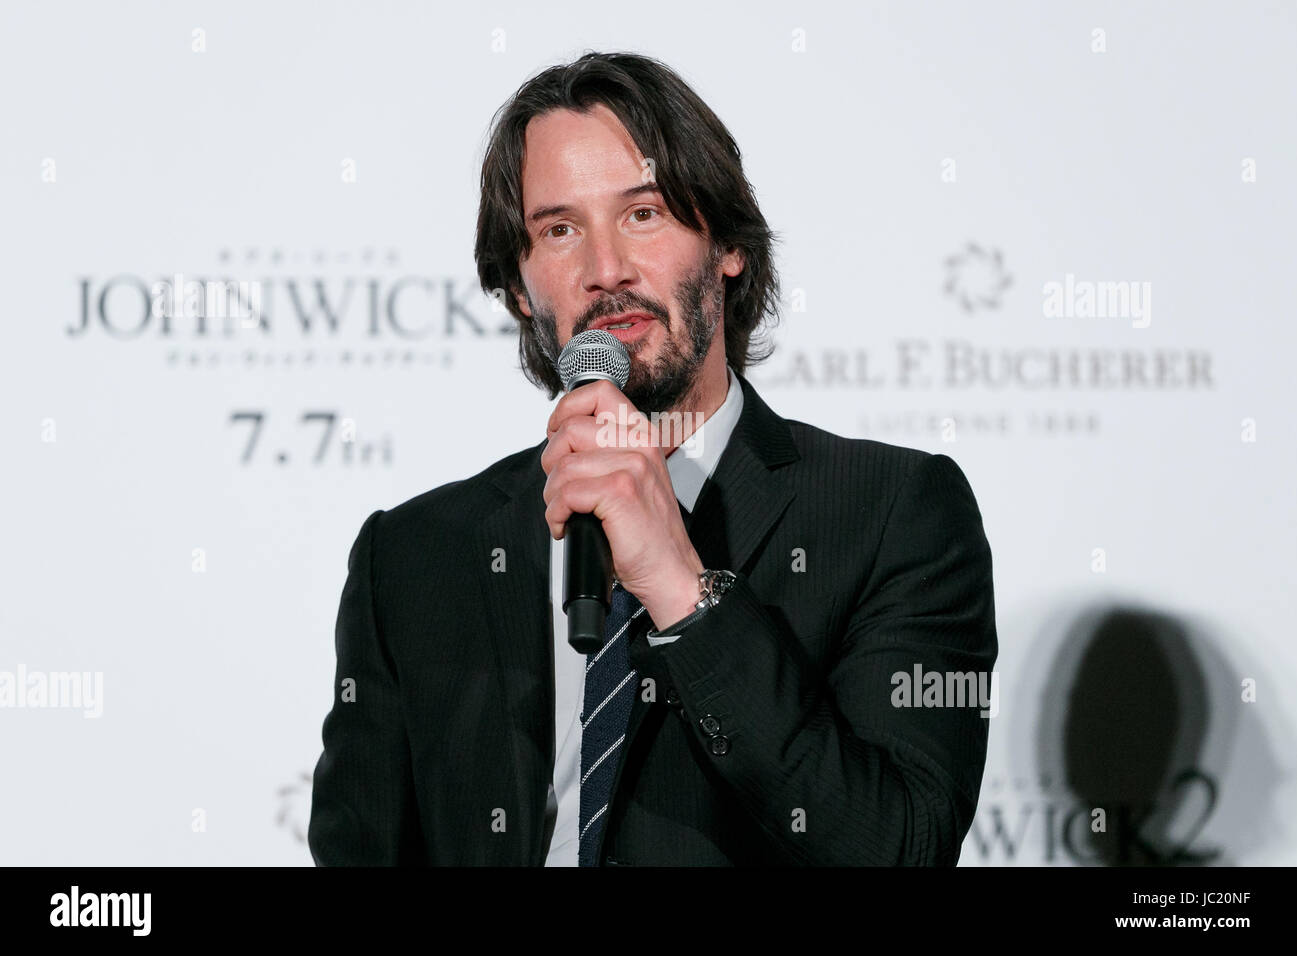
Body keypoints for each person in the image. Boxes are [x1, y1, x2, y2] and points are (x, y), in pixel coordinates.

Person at [308, 51, 997, 866]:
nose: (606, 272)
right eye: (559, 230)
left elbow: (901, 847)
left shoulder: (893, 513)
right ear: (521, 288)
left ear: (728, 247)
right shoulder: (417, 554)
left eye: (644, 214)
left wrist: (680, 587)